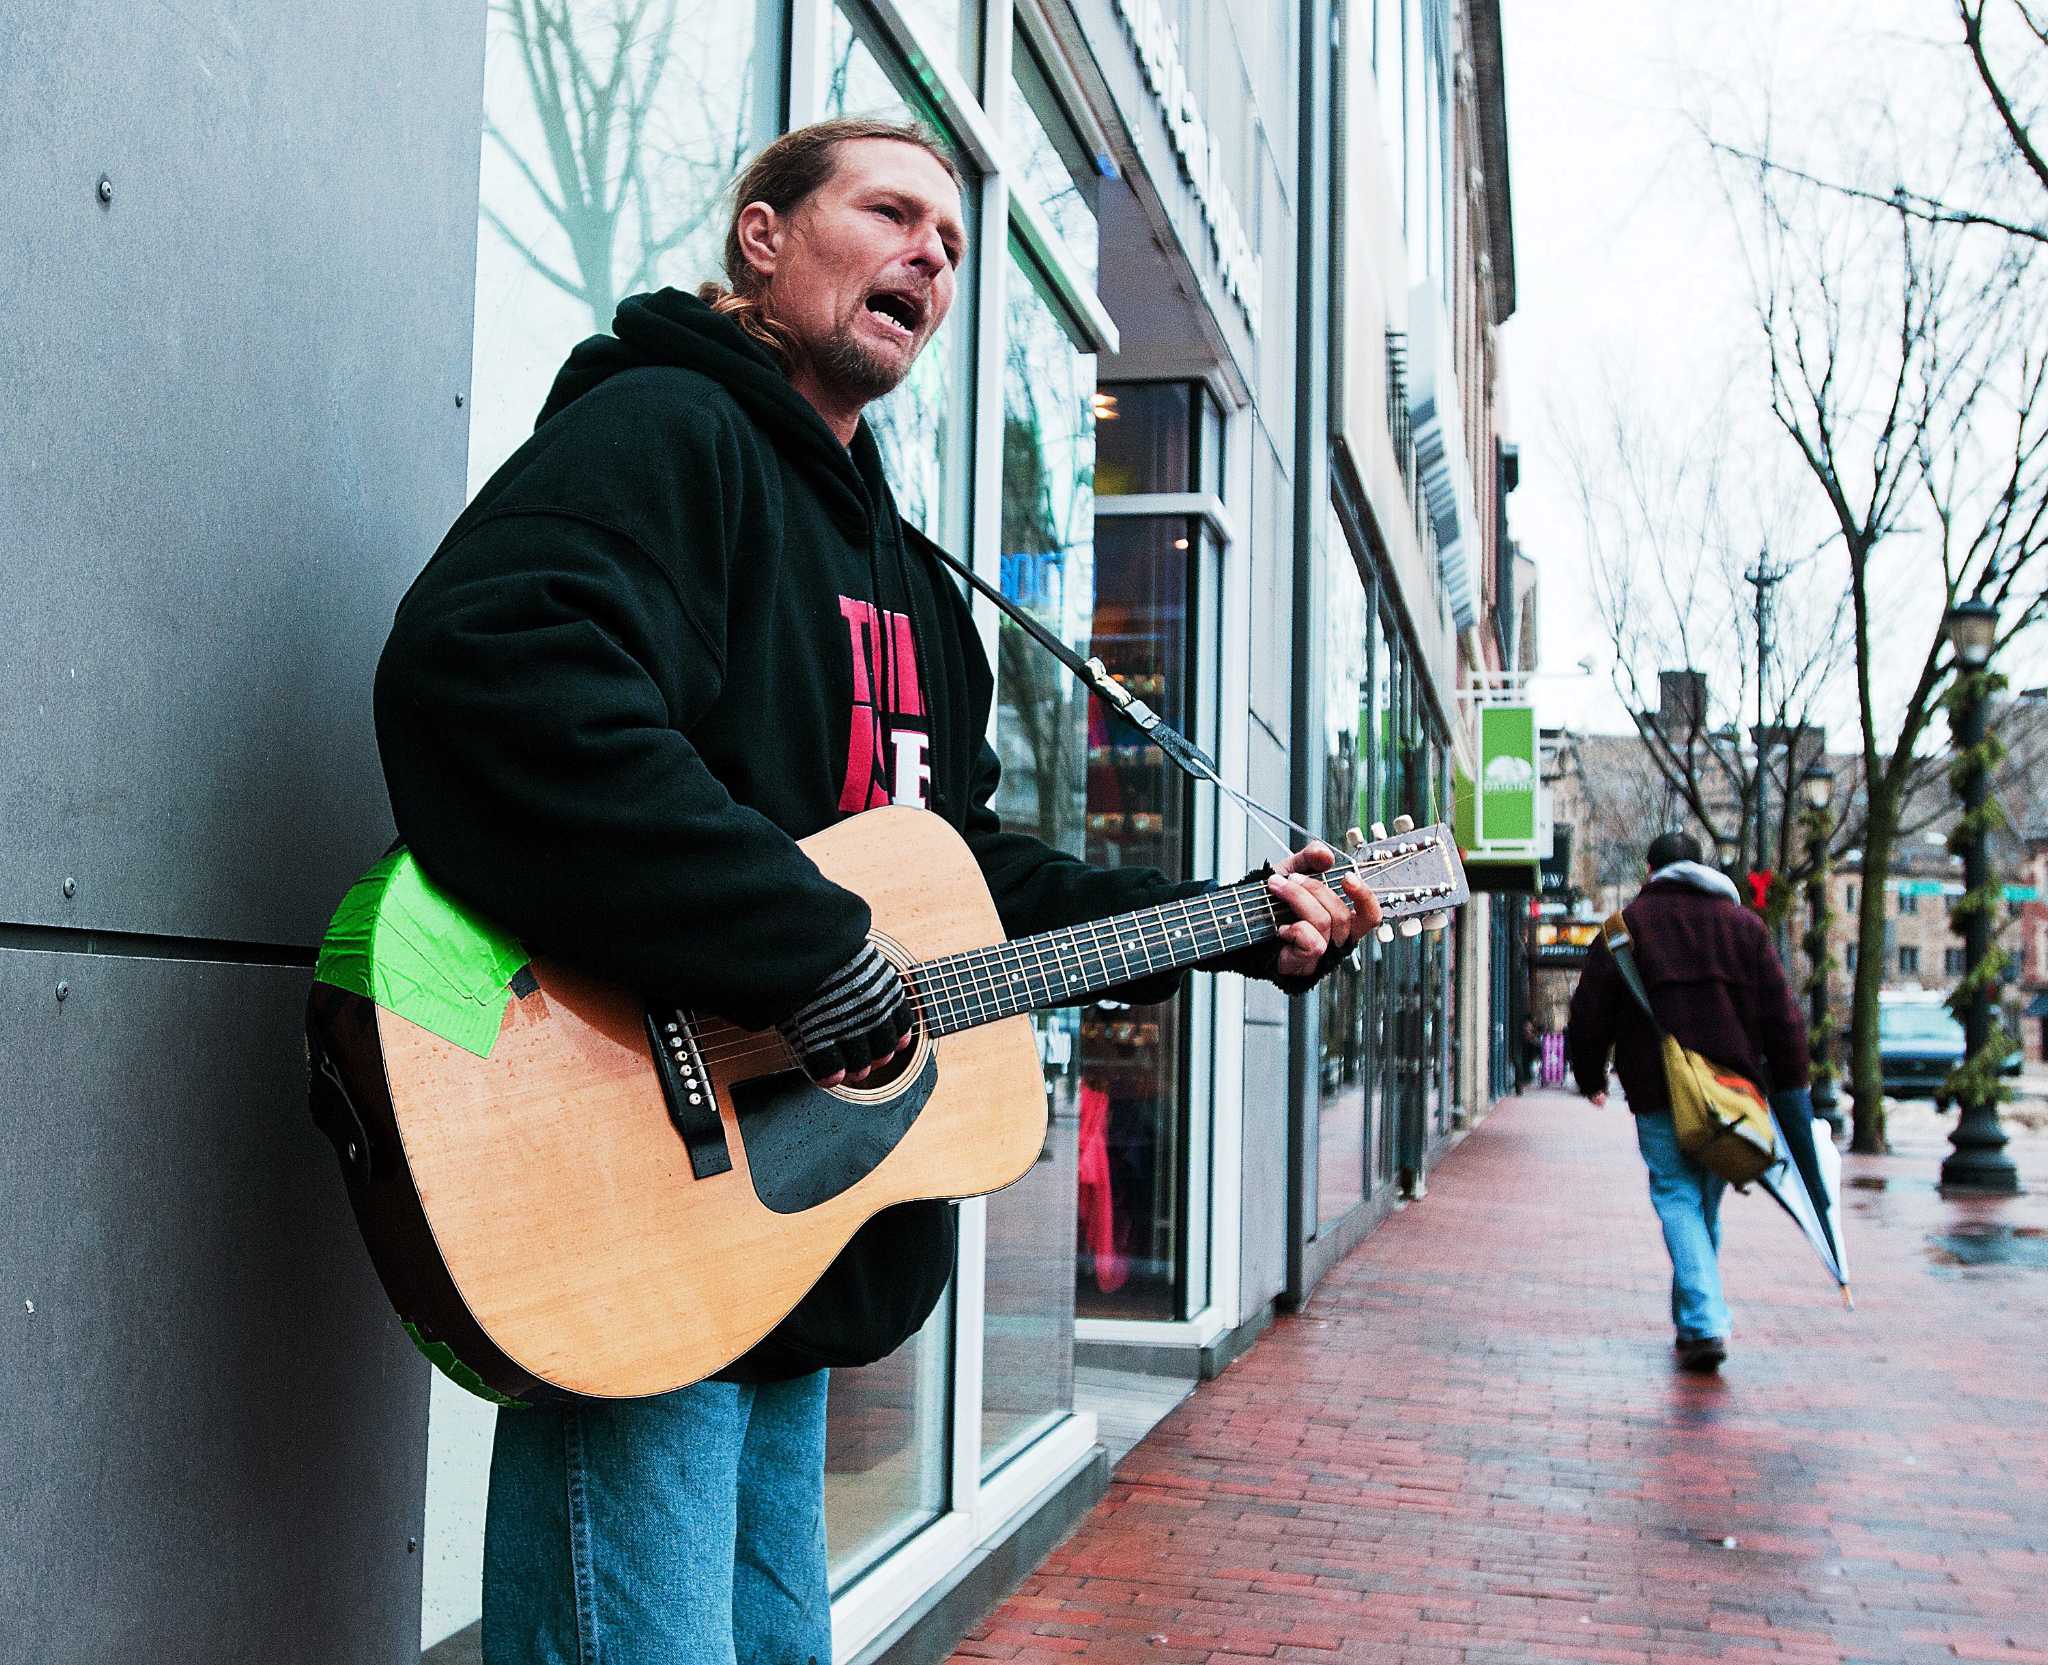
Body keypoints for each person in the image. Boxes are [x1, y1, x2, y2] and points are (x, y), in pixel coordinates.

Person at [373, 118, 1378, 1665]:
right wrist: (799, 944)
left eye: (953, 244)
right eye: (891, 212)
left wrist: (1231, 921)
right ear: (763, 237)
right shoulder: (666, 434)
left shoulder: (914, 582)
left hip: (788, 1242)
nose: (932, 255)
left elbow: (960, 883)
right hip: (634, 1193)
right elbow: (492, 673)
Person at [1565, 830, 1810, 1373]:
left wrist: (1590, 1076)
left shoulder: (1624, 929)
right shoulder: (1745, 928)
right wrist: (1793, 1085)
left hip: (1657, 1093)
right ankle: (1695, 1322)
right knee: (1703, 1204)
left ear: (1649, 872)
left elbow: (1588, 1013)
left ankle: (1702, 1323)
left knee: (1678, 1198)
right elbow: (1783, 1016)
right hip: (1730, 1098)